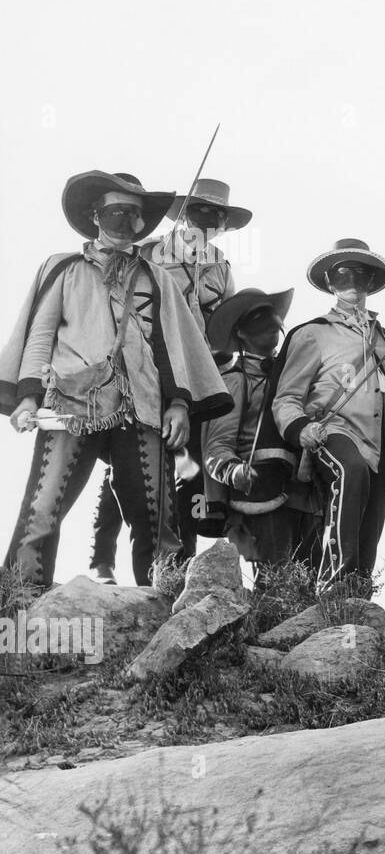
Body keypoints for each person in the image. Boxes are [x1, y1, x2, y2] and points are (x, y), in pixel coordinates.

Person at [0, 171, 232, 588]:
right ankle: (18, 608)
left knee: (158, 525)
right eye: (117, 211)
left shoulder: (157, 277)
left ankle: (164, 622)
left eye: (136, 215)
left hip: (141, 408)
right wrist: (27, 396)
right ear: (96, 214)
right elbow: (39, 335)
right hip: (72, 403)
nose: (127, 221)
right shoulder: (63, 268)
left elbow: (171, 345)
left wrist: (179, 402)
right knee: (41, 513)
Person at [89, 177, 246, 582]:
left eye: (217, 215)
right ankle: (101, 555)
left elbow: (227, 321)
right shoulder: (149, 252)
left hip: (196, 373)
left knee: (188, 465)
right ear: (185, 212)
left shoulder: (222, 267)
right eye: (200, 210)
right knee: (131, 458)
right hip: (147, 367)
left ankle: (179, 566)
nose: (207, 220)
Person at [254, 241, 385, 584]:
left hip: (380, 441)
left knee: (372, 518)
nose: (352, 281)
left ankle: (357, 597)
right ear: (330, 281)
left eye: (361, 273)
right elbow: (285, 397)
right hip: (332, 429)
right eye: (342, 273)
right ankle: (334, 582)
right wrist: (300, 428)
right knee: (351, 471)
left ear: (371, 281)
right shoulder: (312, 333)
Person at [202, 288, 321, 580]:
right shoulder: (233, 382)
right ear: (241, 332)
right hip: (261, 490)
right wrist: (233, 471)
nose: (270, 326)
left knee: (308, 575)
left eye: (271, 317)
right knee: (275, 577)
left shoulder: (297, 374)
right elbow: (217, 445)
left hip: (303, 490)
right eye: (258, 320)